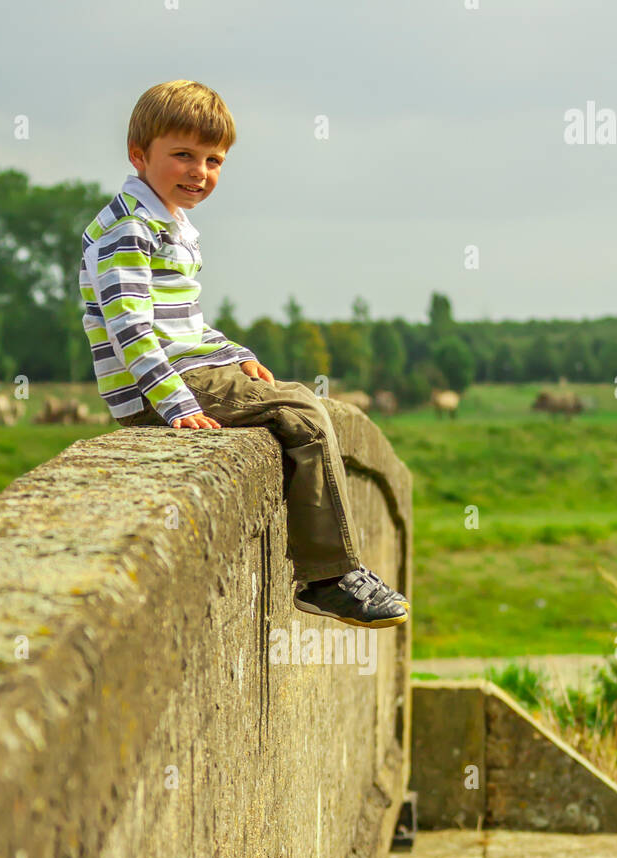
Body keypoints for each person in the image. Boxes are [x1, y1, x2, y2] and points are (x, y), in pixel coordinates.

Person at [79, 79, 409, 630]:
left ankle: (331, 572)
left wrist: (236, 353)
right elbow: (132, 330)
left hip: (186, 372)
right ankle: (328, 577)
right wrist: (178, 406)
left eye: (213, 160)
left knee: (297, 397)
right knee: (301, 411)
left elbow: (185, 323)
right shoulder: (129, 229)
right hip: (159, 391)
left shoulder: (173, 225)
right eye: (182, 155)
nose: (198, 172)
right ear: (139, 155)